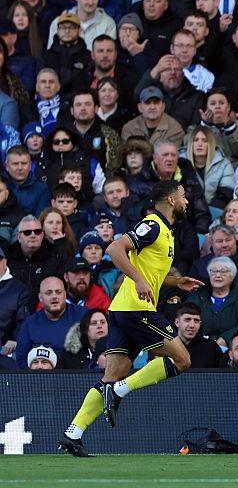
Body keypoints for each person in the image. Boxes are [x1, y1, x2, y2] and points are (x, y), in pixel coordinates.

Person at [59, 181, 205, 457]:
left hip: (123, 309)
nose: (186, 201)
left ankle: (72, 434)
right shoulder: (153, 225)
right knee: (182, 360)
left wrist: (175, 282)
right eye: (183, 196)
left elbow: (148, 273)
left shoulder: (167, 232)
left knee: (110, 376)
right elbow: (114, 248)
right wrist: (137, 279)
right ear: (171, 200)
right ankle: (120, 391)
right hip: (136, 310)